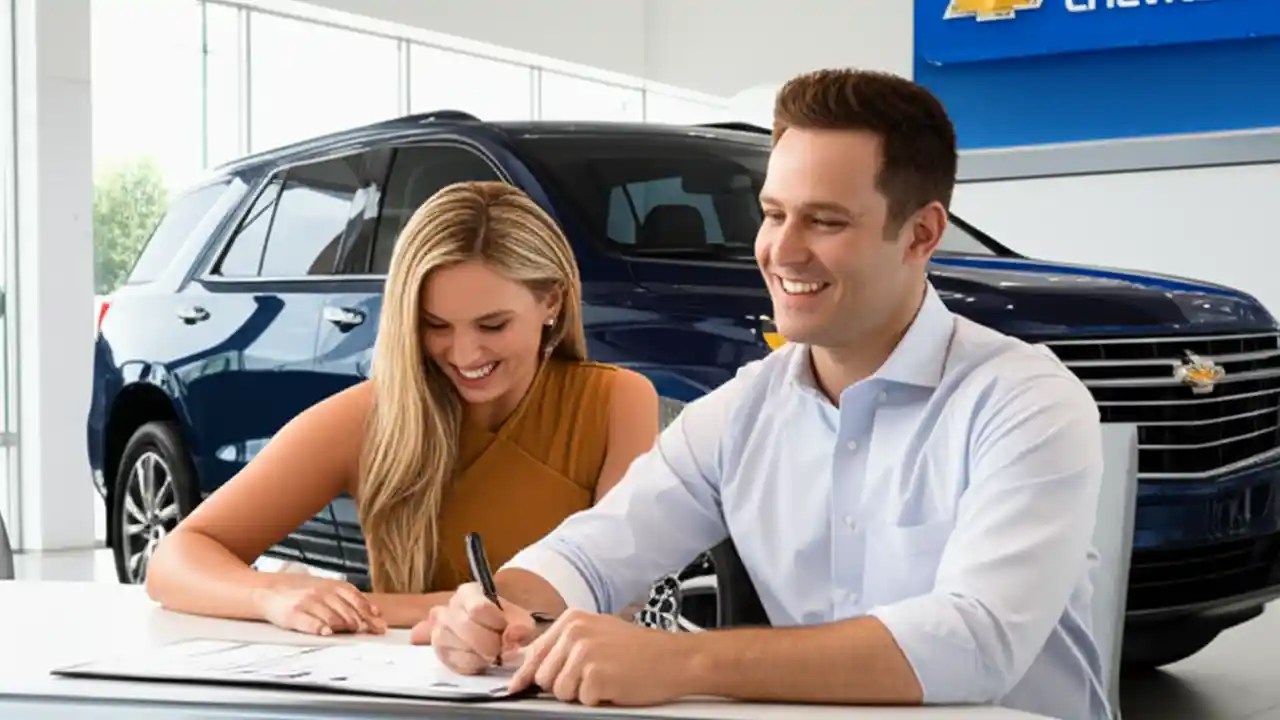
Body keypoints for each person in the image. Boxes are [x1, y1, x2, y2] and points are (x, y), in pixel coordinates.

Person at [426, 70, 1110, 720]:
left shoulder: (1025, 401)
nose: (780, 251)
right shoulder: (743, 410)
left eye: (825, 221)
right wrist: (496, 605)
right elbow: (591, 554)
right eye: (773, 213)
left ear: (921, 234)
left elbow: (975, 641)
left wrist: (683, 662)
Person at [145, 181, 660, 636]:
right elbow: (175, 559)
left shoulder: (618, 402)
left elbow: (611, 590)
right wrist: (271, 595)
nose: (463, 355)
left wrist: (374, 607)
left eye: (492, 325)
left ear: (552, 302)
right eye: (436, 325)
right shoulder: (369, 417)